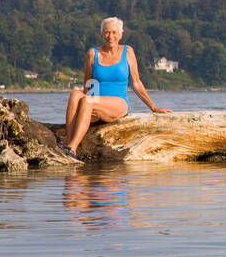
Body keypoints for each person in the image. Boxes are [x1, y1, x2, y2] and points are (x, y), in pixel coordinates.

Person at [60, 17, 171, 159]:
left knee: (87, 101)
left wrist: (153, 108)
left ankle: (72, 148)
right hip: (96, 102)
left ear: (120, 34)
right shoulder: (93, 53)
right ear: (101, 35)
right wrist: (84, 107)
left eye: (114, 32)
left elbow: (136, 82)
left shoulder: (128, 51)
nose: (110, 36)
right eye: (106, 33)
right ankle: (69, 143)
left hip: (118, 103)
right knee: (75, 94)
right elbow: (89, 83)